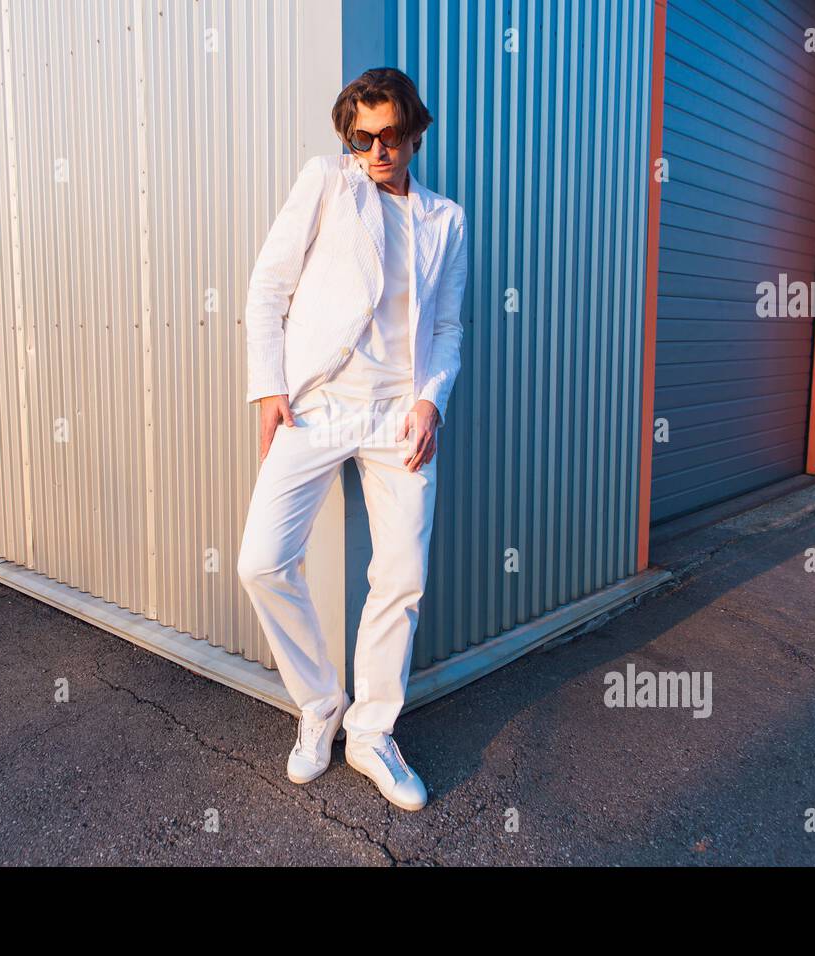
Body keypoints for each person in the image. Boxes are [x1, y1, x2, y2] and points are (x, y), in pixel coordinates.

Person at [236, 68, 469, 812]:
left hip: (398, 415)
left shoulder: (446, 220)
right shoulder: (329, 184)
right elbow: (268, 285)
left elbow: (447, 326)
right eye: (361, 136)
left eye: (390, 135)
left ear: (415, 132)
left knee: (400, 576)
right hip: (317, 406)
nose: (376, 150)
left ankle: (372, 734)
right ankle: (319, 705)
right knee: (262, 561)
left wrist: (431, 402)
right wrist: (270, 387)